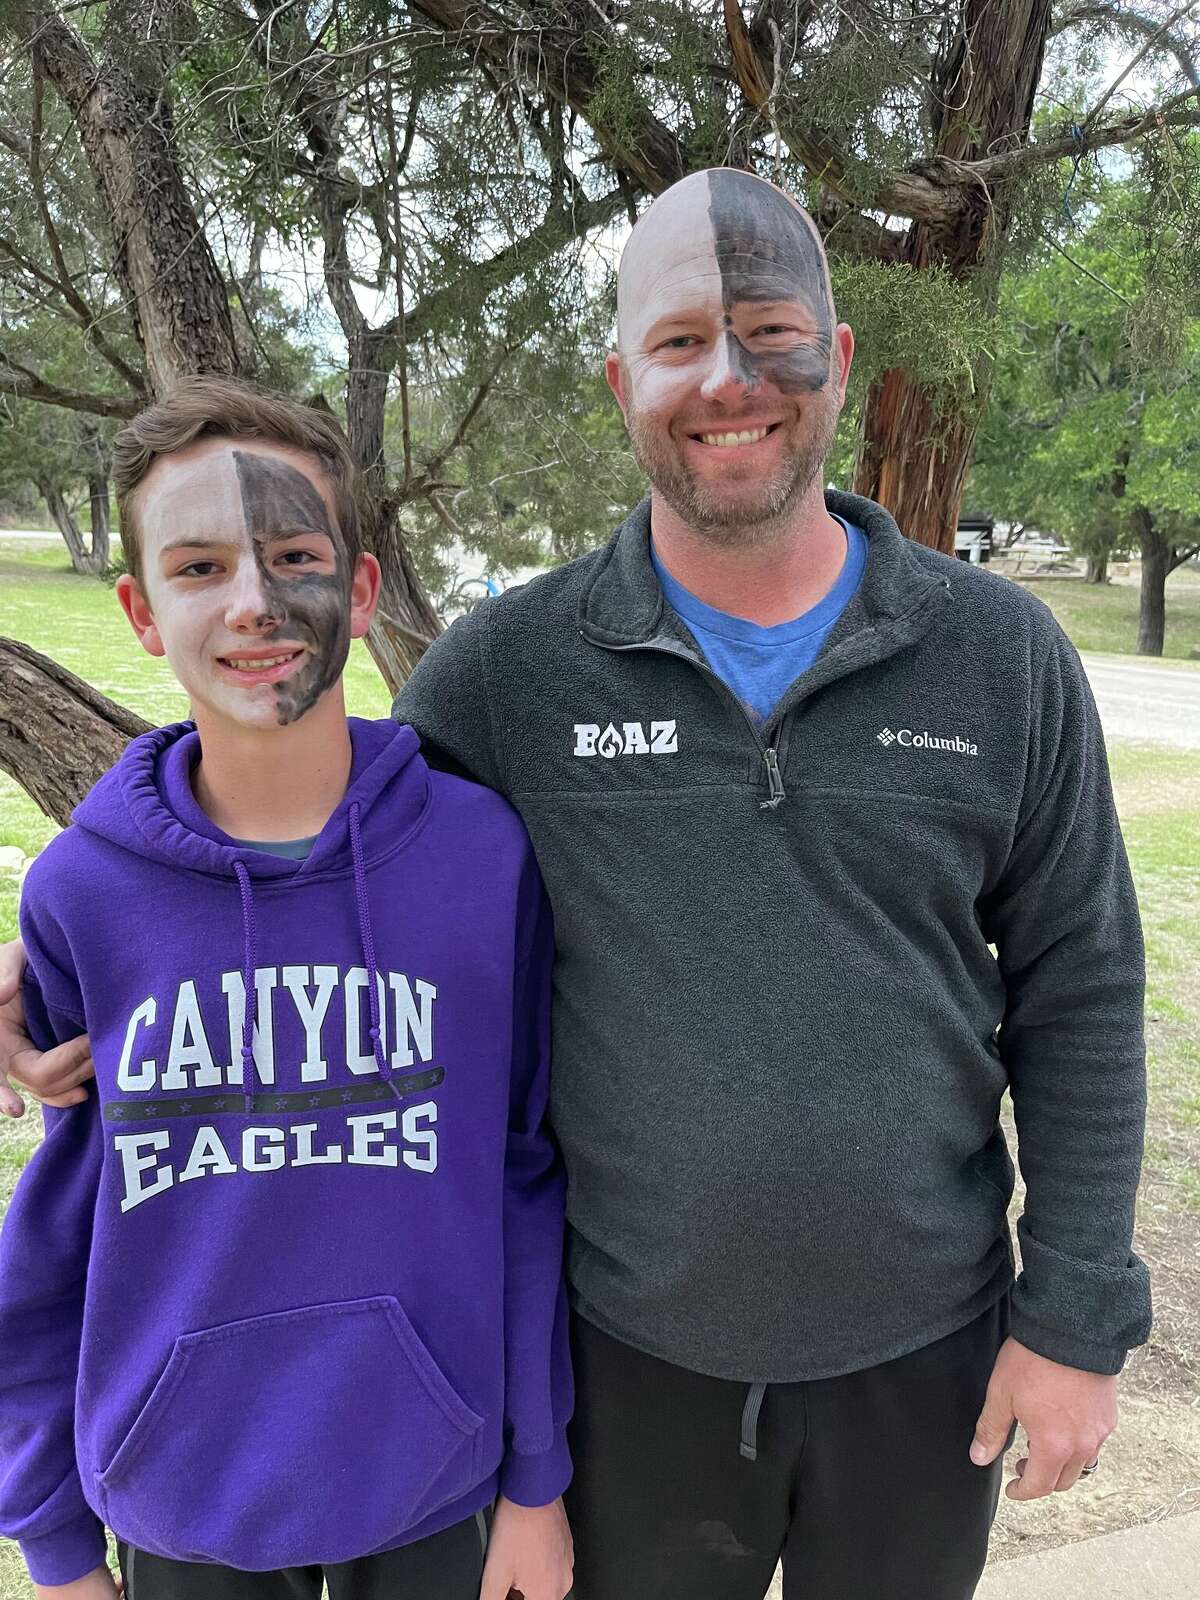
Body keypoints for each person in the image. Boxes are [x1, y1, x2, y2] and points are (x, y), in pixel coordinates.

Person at [1, 168, 1150, 1600]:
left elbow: (1085, 987)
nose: (728, 380)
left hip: (927, 1354)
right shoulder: (508, 671)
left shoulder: (1002, 656)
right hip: (623, 1373)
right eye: (678, 343)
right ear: (620, 380)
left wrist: (1078, 1318)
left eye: (772, 331)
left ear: (840, 360)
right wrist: (54, 948)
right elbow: (300, 813)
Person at [0, 379, 573, 1600]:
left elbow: (520, 1171)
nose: (255, 603)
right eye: (199, 567)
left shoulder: (480, 860)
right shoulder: (80, 898)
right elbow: (58, 1228)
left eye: (295, 556)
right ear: (141, 611)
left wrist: (535, 1476)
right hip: (182, 1492)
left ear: (361, 590)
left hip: (433, 1480)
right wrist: (52, 1544)